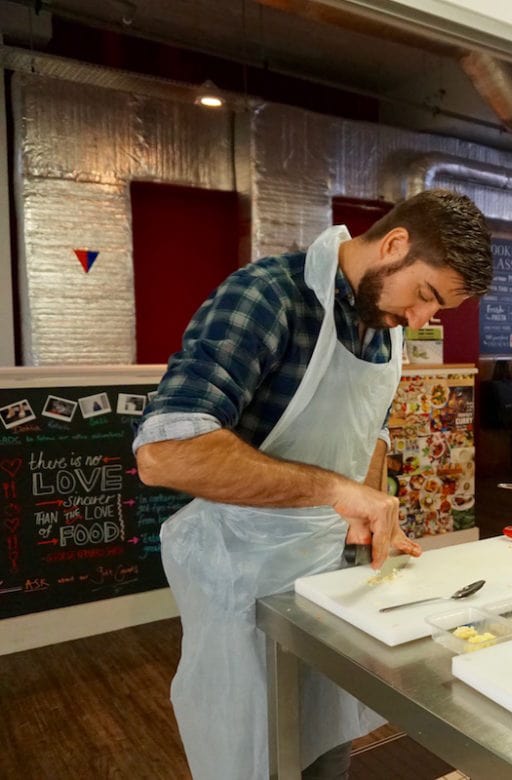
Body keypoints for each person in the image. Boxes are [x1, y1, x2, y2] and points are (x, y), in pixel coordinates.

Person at [133, 189, 493, 780]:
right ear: (395, 245)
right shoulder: (268, 296)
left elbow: (370, 430)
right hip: (241, 575)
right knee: (255, 752)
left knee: (324, 748)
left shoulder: (385, 325)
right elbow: (165, 454)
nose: (421, 320)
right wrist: (335, 491)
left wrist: (368, 518)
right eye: (426, 295)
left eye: (438, 311)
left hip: (329, 579)